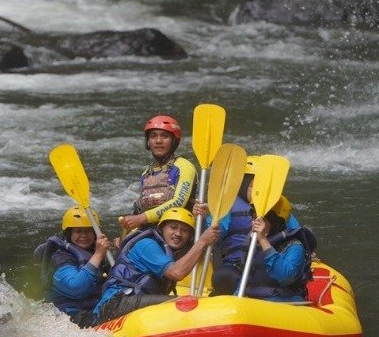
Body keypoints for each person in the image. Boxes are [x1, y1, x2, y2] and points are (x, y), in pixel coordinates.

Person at [193, 155, 315, 301]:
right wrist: (209, 216)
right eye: (253, 186)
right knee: (224, 276)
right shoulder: (227, 205)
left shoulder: (278, 207)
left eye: (261, 186)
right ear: (242, 184)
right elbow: (214, 237)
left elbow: (294, 236)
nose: (258, 191)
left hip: (270, 266)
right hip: (238, 264)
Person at [92, 207, 219, 324]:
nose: (178, 233)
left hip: (132, 304)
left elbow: (198, 249)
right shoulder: (147, 245)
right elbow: (177, 273)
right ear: (162, 229)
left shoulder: (171, 253)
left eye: (185, 230)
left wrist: (203, 217)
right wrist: (202, 241)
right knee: (188, 303)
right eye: (173, 227)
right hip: (116, 304)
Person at [118, 115, 197, 234]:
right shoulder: (146, 174)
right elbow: (139, 210)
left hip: (178, 233)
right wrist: (126, 236)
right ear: (148, 142)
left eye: (164, 136)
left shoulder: (184, 166)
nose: (158, 141)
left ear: (173, 141)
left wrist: (141, 218)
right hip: (150, 233)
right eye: (153, 136)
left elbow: (179, 202)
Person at [34, 206, 111, 326]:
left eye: (88, 231)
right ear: (69, 233)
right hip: (69, 317)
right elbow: (75, 287)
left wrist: (120, 250)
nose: (84, 235)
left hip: (91, 309)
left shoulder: (98, 252)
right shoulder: (60, 257)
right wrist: (98, 254)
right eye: (78, 231)